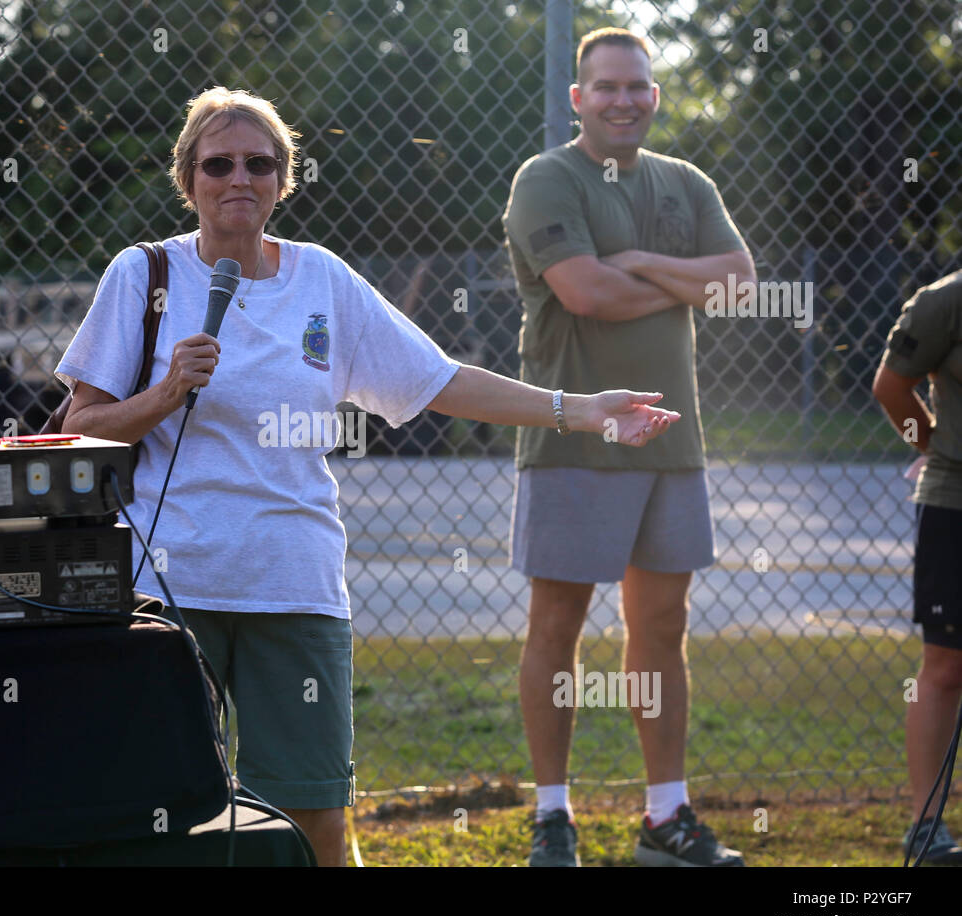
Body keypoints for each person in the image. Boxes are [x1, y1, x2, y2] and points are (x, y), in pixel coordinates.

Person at [57, 85, 679, 866]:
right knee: (167, 817)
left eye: (261, 162)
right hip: (170, 587)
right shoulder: (142, 275)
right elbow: (75, 429)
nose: (239, 178)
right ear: (190, 180)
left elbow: (440, 380)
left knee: (312, 814)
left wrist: (581, 409)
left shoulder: (321, 281)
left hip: (296, 586)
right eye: (219, 163)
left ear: (284, 180)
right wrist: (163, 394)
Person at [501, 28, 757, 866]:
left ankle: (665, 818)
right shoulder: (548, 178)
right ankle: (551, 816)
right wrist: (677, 278)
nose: (624, 100)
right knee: (558, 623)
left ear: (654, 94)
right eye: (606, 87)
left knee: (662, 623)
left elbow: (740, 282)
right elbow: (587, 292)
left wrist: (640, 257)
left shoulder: (685, 182)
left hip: (670, 441)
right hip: (580, 431)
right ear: (578, 99)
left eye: (637, 86)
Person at [872, 269, 962, 864]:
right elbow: (891, 390)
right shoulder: (946, 302)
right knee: (946, 665)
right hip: (956, 501)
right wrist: (933, 445)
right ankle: (927, 827)